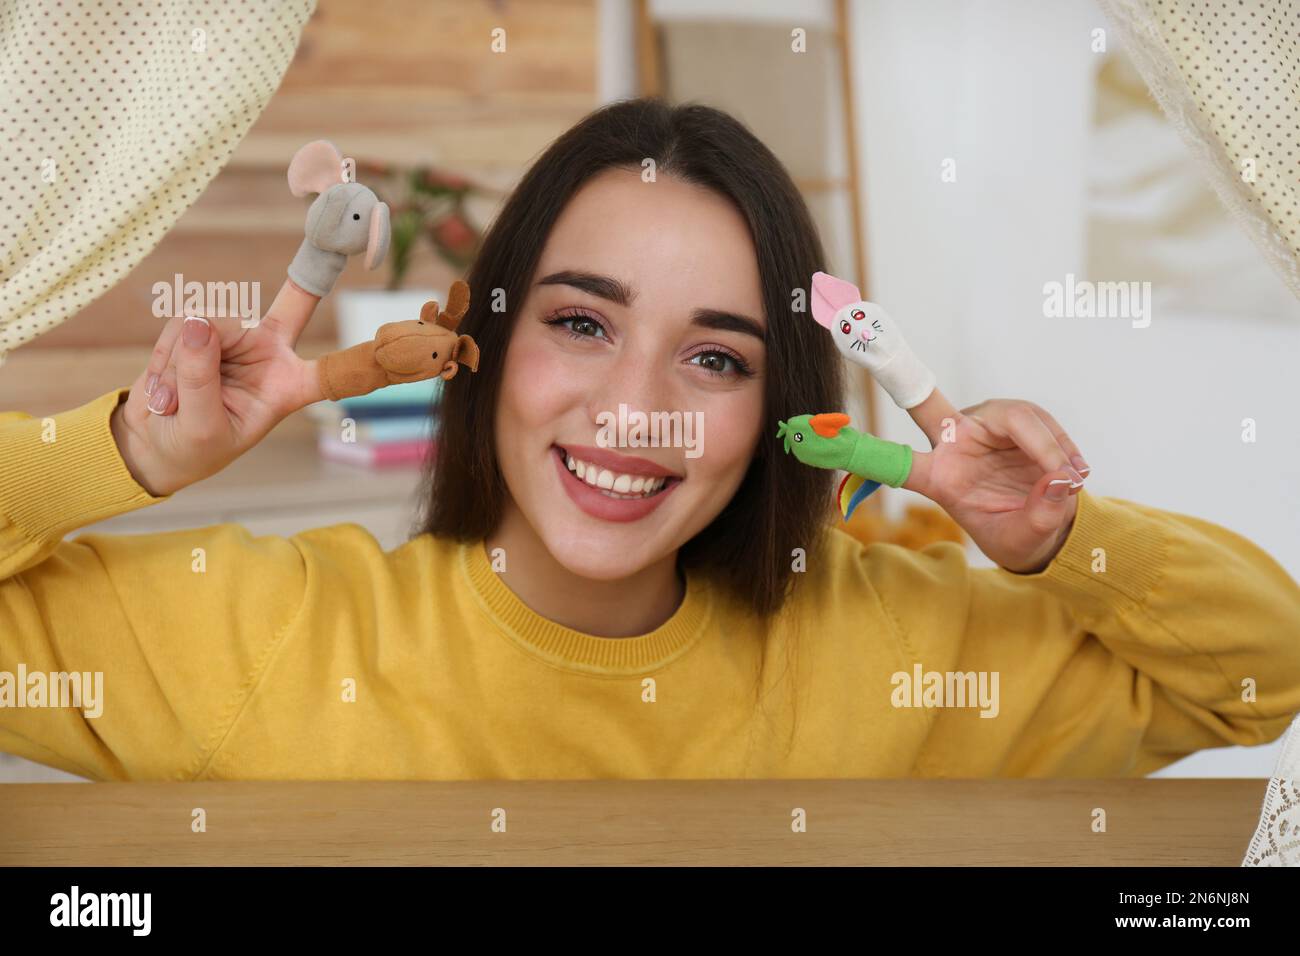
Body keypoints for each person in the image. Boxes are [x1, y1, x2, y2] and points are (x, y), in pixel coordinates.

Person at [2, 98, 1297, 782]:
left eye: (716, 355)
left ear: (781, 407)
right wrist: (130, 452)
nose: (634, 408)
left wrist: (1057, 536)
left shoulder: (906, 652)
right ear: (484, 347)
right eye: (580, 322)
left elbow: (1260, 677)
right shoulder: (267, 636)